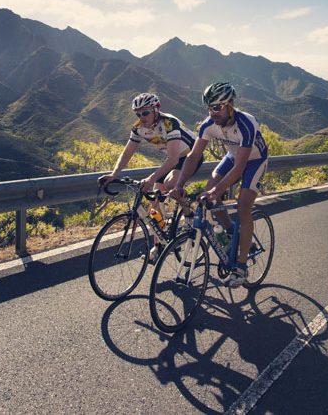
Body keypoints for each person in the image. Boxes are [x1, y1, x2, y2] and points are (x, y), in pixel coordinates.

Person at [170, 82, 269, 288]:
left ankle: (241, 266)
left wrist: (216, 191)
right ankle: (231, 231)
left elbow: (240, 167)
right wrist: (179, 184)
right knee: (210, 195)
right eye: (209, 107)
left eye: (216, 107)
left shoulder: (246, 123)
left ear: (230, 105)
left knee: (243, 206)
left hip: (254, 161)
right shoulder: (208, 125)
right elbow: (194, 155)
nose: (212, 112)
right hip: (233, 157)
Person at [98, 93, 201, 258]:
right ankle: (158, 245)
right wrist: (114, 174)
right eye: (138, 114)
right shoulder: (139, 128)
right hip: (172, 160)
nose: (141, 117)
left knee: (169, 183)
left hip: (190, 156)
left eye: (145, 113)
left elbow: (174, 159)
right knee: (155, 199)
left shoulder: (169, 123)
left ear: (156, 109)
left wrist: (151, 178)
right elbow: (127, 153)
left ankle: (188, 212)